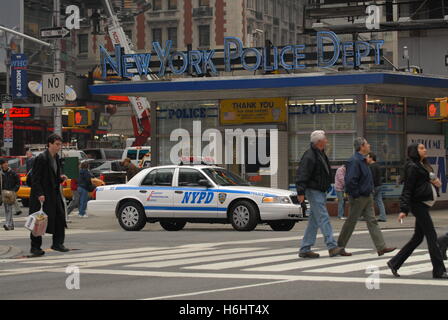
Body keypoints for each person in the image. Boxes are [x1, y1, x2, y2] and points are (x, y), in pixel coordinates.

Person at [387, 143, 447, 279]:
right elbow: (408, 188)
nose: (424, 150)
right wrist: (404, 209)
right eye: (421, 148)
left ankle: (394, 263)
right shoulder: (412, 167)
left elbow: (429, 181)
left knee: (417, 238)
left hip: (423, 204)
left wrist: (435, 181)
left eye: (424, 148)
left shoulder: (421, 165)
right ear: (414, 151)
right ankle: (438, 270)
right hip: (418, 205)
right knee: (432, 237)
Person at [337, 137, 396, 256]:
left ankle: (381, 247)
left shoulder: (363, 160)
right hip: (359, 197)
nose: (369, 146)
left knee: (372, 221)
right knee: (351, 222)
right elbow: (350, 181)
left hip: (367, 195)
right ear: (362, 147)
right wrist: (357, 194)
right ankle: (339, 246)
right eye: (367, 144)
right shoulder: (355, 161)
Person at [296, 130, 345, 258]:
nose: (327, 141)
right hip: (314, 190)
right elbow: (302, 174)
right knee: (323, 217)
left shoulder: (319, 154)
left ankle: (305, 248)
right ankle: (332, 246)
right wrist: (300, 191)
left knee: (314, 220)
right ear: (319, 142)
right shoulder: (310, 155)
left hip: (319, 190)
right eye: (325, 139)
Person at [29, 134, 69, 256]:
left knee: (60, 217)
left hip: (54, 193)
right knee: (39, 220)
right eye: (57, 144)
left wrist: (61, 178)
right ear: (50, 144)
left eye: (60, 145)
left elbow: (54, 177)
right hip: (42, 195)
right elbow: (35, 179)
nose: (59, 147)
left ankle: (57, 243)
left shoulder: (56, 157)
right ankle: (35, 247)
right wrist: (40, 193)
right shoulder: (41, 158)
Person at [0, 159, 20, 231]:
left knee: (9, 209)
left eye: (6, 163)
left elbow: (18, 182)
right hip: (4, 194)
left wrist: (14, 190)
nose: (6, 164)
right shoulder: (1, 174)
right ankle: (11, 225)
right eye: (4, 163)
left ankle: (8, 224)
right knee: (7, 209)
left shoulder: (12, 173)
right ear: (1, 165)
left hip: (11, 193)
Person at [367, 152, 387, 222]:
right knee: (379, 201)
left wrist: (370, 187)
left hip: (374, 186)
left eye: (368, 157)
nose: (367, 158)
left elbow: (371, 178)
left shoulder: (371, 166)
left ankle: (369, 216)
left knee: (369, 201)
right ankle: (383, 217)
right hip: (379, 185)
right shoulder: (378, 165)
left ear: (371, 158)